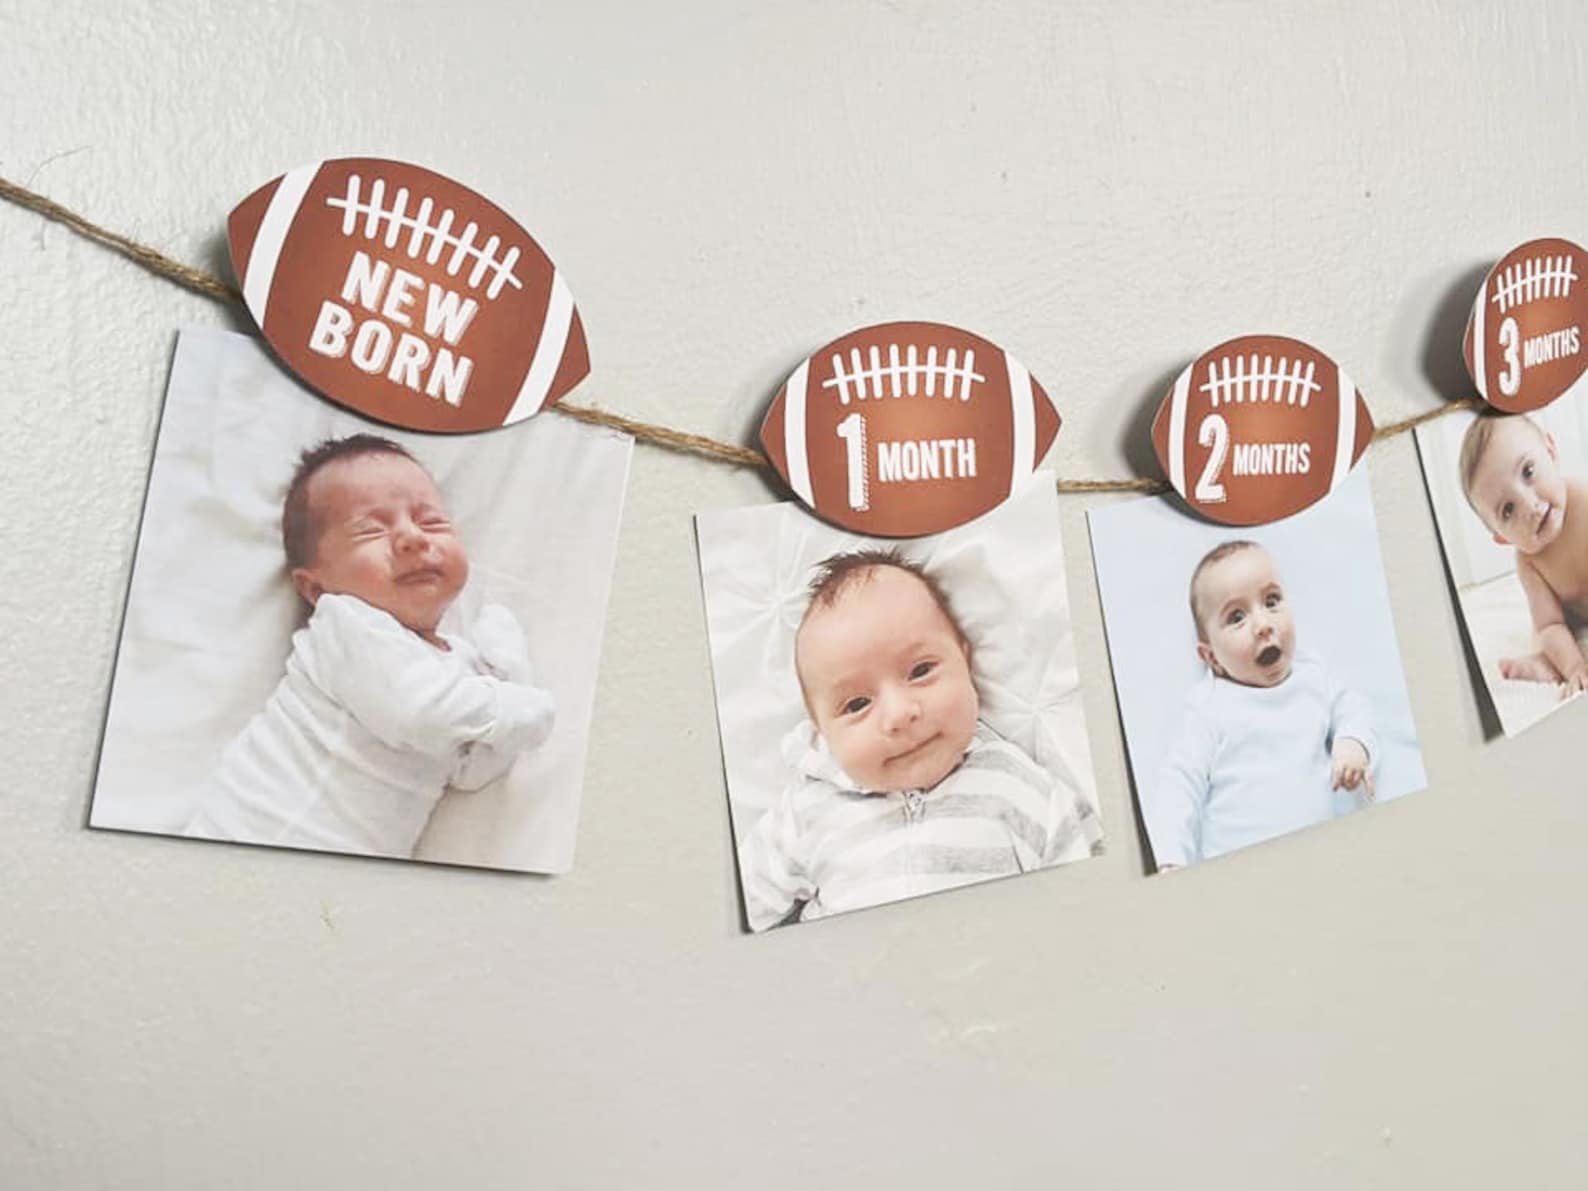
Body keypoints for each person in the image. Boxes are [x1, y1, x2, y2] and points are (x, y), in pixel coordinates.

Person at [186, 434, 555, 857]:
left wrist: (510, 671)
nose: (412, 538)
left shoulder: (458, 665)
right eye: (371, 529)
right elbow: (417, 712)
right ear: (315, 588)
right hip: (258, 837)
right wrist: (523, 706)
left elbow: (468, 770)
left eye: (431, 521)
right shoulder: (345, 625)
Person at [737, 549, 1101, 930]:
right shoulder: (805, 812)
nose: (898, 714)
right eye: (857, 704)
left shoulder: (1016, 785)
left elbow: (1086, 901)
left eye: (921, 670)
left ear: (965, 661)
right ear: (821, 730)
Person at [1148, 540, 1374, 868]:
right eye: (1237, 617)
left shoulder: (1313, 674)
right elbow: (1180, 782)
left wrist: (1353, 744)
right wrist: (1169, 858)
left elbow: (1353, 704)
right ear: (1211, 657)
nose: (1263, 624)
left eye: (1272, 601)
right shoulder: (1208, 706)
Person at [1459, 411, 1588, 694]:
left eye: (1528, 472)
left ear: (1551, 451)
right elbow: (1550, 624)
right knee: (1547, 635)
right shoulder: (1529, 562)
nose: (1529, 505)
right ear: (1501, 538)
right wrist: (1575, 668)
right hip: (1573, 616)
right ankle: (1548, 666)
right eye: (1508, 510)